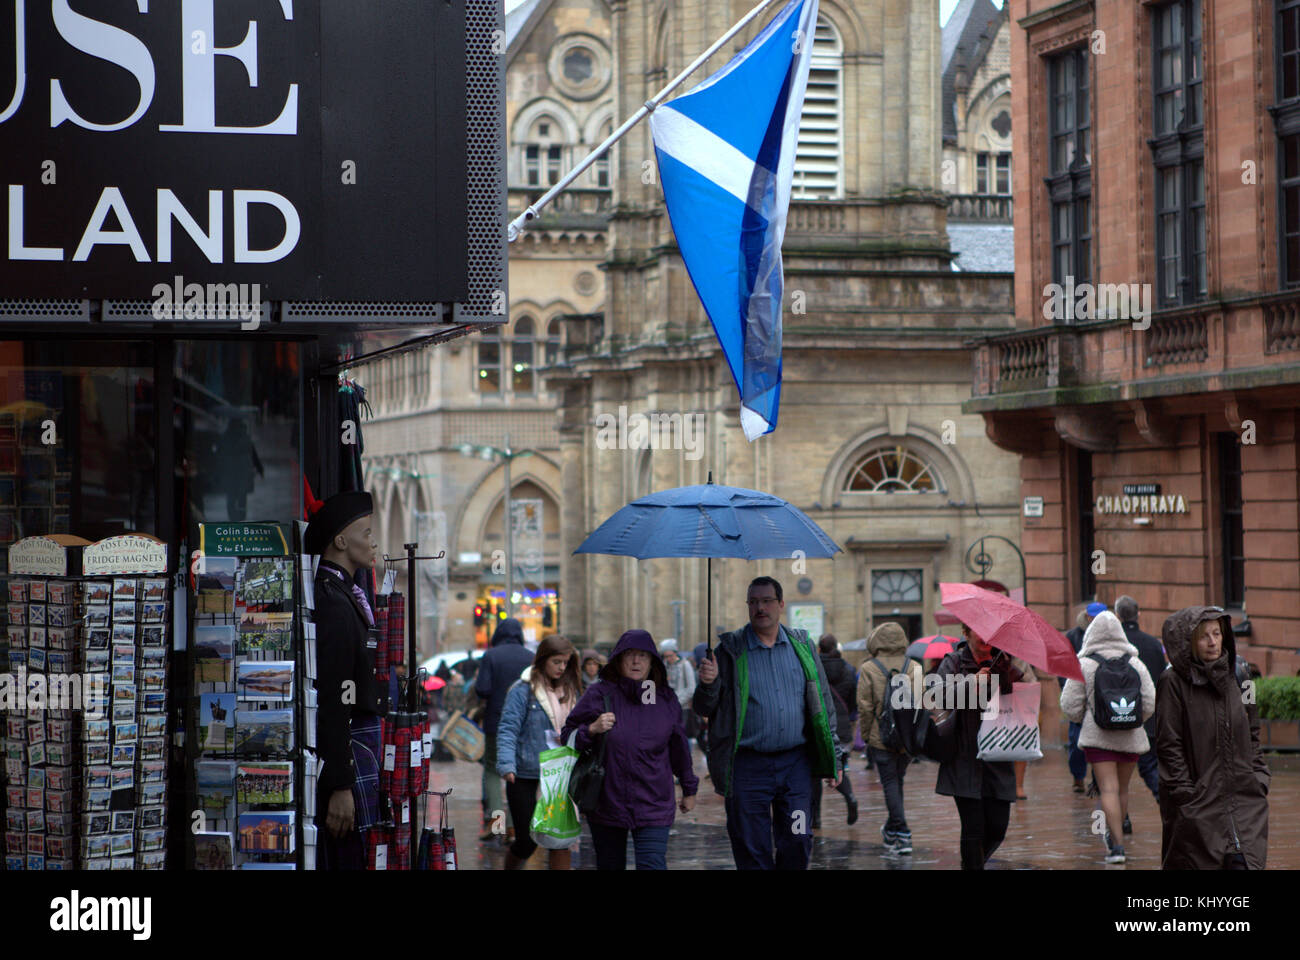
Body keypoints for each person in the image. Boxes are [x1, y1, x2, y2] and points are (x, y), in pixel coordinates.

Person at [693, 576, 840, 870]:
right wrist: (708, 684)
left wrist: (834, 753)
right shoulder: (729, 652)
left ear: (781, 604)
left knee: (798, 838)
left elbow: (823, 702)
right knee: (751, 847)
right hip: (747, 767)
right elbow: (704, 708)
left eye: (767, 601)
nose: (760, 608)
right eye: (754, 602)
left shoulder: (803, 647)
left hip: (795, 765)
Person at [561, 630, 698, 869]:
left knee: (652, 864)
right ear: (618, 659)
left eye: (643, 656)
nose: (636, 661)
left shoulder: (663, 698)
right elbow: (567, 737)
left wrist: (689, 788)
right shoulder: (599, 693)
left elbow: (679, 747)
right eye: (630, 655)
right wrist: (591, 729)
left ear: (652, 661)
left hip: (653, 802)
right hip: (607, 802)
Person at [1156, 606, 1269, 870]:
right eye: (1204, 635)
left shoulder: (1240, 675)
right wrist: (1185, 794)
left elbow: (1253, 730)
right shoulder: (1173, 682)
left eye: (1217, 633)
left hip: (1244, 803)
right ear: (1190, 641)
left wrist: (1259, 776)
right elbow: (1168, 743)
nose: (1212, 642)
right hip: (1199, 808)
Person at [307, 491, 382, 871]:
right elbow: (333, 698)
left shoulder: (344, 594)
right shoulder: (332, 601)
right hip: (345, 751)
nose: (373, 542)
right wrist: (339, 784)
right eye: (366, 533)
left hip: (355, 745)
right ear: (340, 541)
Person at [1059, 611, 1156, 863]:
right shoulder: (1136, 663)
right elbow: (1149, 702)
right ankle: (1118, 838)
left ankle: (1116, 848)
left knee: (1108, 789)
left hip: (1098, 738)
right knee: (1122, 789)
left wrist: (1087, 718)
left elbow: (1069, 705)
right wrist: (1133, 721)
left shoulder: (1085, 664)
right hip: (1131, 736)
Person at [935, 622, 1025, 870]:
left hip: (998, 754)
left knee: (997, 826)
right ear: (966, 633)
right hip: (964, 756)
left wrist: (1003, 671)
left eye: (991, 633)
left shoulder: (1003, 663)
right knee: (973, 828)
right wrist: (971, 683)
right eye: (979, 630)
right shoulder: (953, 662)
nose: (986, 636)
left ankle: (972, 864)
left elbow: (1019, 697)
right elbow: (938, 695)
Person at [497, 635, 583, 870]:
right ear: (543, 659)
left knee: (560, 840)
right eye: (557, 662)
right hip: (525, 773)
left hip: (560, 774)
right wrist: (506, 764)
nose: (562, 667)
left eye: (565, 662)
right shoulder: (523, 690)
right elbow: (508, 728)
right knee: (526, 841)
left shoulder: (572, 690)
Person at [856, 623, 922, 851]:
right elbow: (921, 704)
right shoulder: (913, 666)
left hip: (879, 736)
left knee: (890, 783)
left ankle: (903, 832)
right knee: (897, 781)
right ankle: (892, 830)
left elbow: (864, 707)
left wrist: (866, 735)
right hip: (906, 738)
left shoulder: (868, 668)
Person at [474, 617, 534, 842]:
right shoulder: (530, 657)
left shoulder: (491, 655)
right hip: (525, 724)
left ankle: (497, 823)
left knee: (492, 770)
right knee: (515, 772)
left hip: (496, 722)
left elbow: (482, 688)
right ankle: (513, 827)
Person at [1114, 595, 1167, 807]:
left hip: (1116, 717)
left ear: (1117, 616)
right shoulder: (1154, 644)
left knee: (1115, 773)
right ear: (1139, 615)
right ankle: (1162, 798)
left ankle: (1121, 821)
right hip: (1150, 716)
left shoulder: (1116, 646)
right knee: (1149, 765)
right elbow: (1162, 679)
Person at [809, 634, 858, 829]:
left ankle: (816, 818)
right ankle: (850, 796)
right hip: (842, 727)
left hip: (819, 725)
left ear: (819, 649)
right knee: (838, 768)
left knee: (814, 774)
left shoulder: (813, 667)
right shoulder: (848, 669)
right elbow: (853, 701)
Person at [1061, 601, 1104, 791]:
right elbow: (1063, 667)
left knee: (1101, 741)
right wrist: (1069, 690)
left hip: (1101, 696)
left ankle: (1098, 779)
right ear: (1087, 617)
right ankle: (1077, 777)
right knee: (1076, 741)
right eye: (1093, 617)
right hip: (1079, 695)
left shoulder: (1109, 636)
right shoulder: (1072, 636)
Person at [661, 639, 697, 746]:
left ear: (675, 653)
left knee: (682, 737)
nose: (668, 659)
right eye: (665, 656)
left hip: (682, 708)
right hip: (667, 708)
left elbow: (691, 688)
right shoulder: (664, 665)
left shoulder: (685, 665)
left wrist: (677, 702)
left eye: (670, 656)